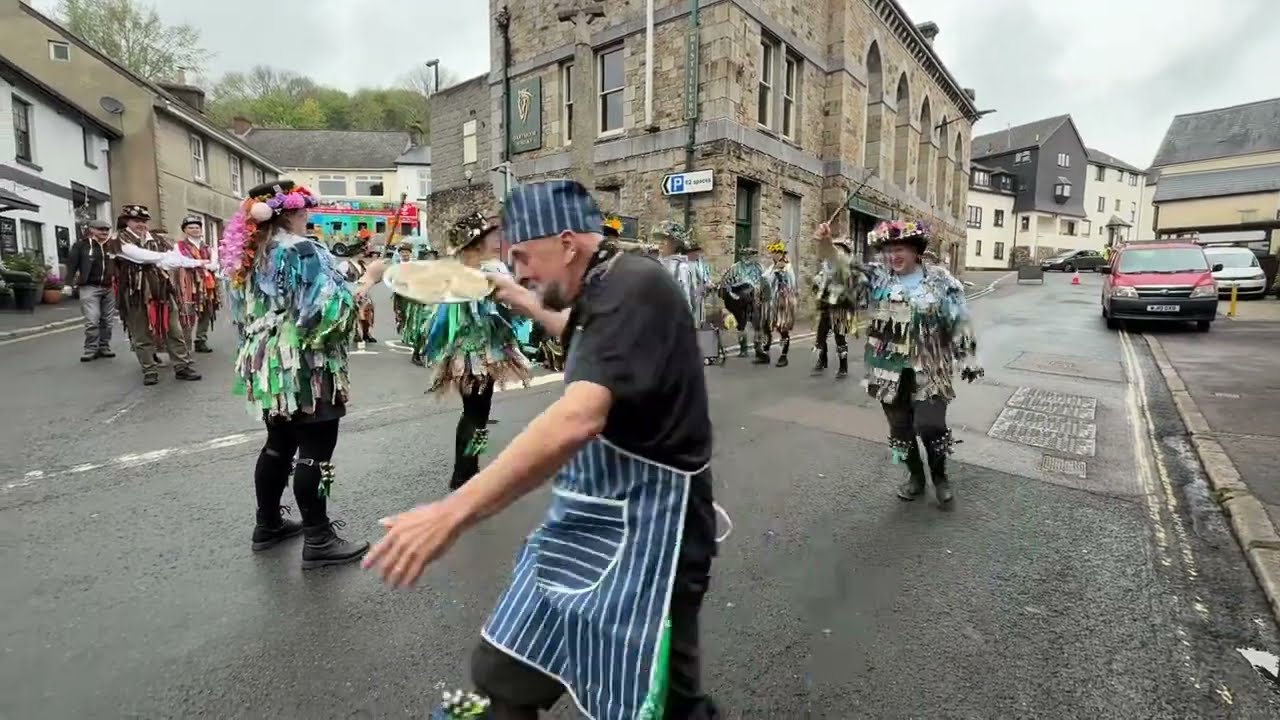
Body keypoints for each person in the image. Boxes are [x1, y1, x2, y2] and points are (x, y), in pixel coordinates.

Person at [365, 180, 720, 720]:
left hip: (657, 531)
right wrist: (510, 294)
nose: (519, 269)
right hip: (588, 519)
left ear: (569, 243)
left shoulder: (636, 286)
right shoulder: (603, 284)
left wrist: (452, 510)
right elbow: (576, 332)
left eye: (524, 258)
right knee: (501, 672)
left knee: (663, 705)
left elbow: (577, 418)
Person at [220, 180, 369, 568]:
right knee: (316, 447)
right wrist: (367, 283)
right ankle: (318, 538)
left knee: (278, 442)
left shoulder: (249, 255)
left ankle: (267, 524)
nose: (309, 217)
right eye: (306, 212)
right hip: (304, 362)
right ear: (292, 213)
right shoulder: (303, 249)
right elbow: (326, 313)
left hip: (267, 362)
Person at [816, 218, 983, 506]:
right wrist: (826, 245)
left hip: (931, 367)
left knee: (930, 426)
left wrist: (967, 356)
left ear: (916, 250)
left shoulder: (941, 281)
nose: (894, 255)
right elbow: (844, 271)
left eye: (901, 248)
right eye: (890, 249)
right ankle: (916, 477)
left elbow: (959, 319)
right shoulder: (878, 278)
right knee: (901, 430)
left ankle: (940, 477)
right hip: (887, 369)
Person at [416, 211, 530, 489]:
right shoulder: (487, 273)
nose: (497, 239)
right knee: (476, 414)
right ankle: (465, 474)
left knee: (474, 413)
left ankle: (468, 469)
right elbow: (509, 314)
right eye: (492, 235)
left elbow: (440, 321)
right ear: (476, 242)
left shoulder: (457, 274)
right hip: (477, 357)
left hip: (464, 355)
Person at [112, 204, 207, 385]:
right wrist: (163, 258)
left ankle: (182, 366)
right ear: (126, 222)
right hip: (135, 292)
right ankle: (149, 370)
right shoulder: (118, 240)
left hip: (161, 289)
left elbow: (175, 260)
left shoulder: (156, 239)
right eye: (136, 221)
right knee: (140, 333)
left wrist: (198, 262)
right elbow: (137, 255)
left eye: (143, 221)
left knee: (174, 329)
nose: (141, 224)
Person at [65, 219, 118, 362]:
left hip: (109, 287)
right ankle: (90, 349)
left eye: (107, 229)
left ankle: (104, 347)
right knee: (92, 320)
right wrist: (68, 284)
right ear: (92, 230)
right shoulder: (81, 246)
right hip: (89, 287)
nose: (104, 232)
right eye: (101, 229)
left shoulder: (112, 246)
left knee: (107, 321)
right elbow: (72, 265)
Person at [810, 235, 858, 378]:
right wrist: (817, 284)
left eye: (839, 248)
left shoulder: (847, 268)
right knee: (821, 335)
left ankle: (843, 366)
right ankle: (822, 360)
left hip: (839, 307)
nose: (836, 251)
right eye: (835, 247)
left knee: (839, 337)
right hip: (826, 305)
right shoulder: (826, 265)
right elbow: (819, 282)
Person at [173, 215, 219, 354]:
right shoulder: (178, 246)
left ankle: (201, 340)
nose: (195, 230)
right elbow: (180, 261)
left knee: (207, 311)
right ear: (185, 230)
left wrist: (204, 265)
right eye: (191, 227)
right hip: (189, 285)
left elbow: (214, 264)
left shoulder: (209, 248)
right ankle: (185, 345)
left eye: (197, 227)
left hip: (207, 284)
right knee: (188, 313)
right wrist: (204, 264)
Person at [717, 247, 765, 358]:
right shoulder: (735, 268)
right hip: (739, 300)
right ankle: (743, 349)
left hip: (755, 299)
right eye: (745, 254)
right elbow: (724, 283)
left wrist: (761, 294)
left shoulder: (759, 268)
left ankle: (758, 347)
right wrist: (733, 295)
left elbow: (765, 283)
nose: (747, 257)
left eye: (750, 254)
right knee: (741, 325)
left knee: (757, 324)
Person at [756, 241, 796, 367]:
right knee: (766, 327)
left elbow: (791, 284)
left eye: (775, 253)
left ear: (781, 253)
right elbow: (765, 278)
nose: (773, 255)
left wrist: (781, 274)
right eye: (773, 253)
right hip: (770, 301)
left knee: (782, 329)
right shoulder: (772, 267)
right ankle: (765, 353)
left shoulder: (787, 267)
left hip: (782, 302)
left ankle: (783, 356)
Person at [654, 220, 702, 324]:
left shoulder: (681, 267)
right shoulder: (656, 263)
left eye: (665, 239)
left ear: (675, 243)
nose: (661, 242)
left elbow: (686, 298)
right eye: (660, 239)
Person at [392, 240, 429, 366]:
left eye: (407, 252)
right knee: (406, 321)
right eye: (402, 252)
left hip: (417, 300)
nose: (405, 255)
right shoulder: (397, 267)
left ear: (411, 253)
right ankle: (415, 349)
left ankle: (417, 352)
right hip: (403, 298)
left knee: (420, 326)